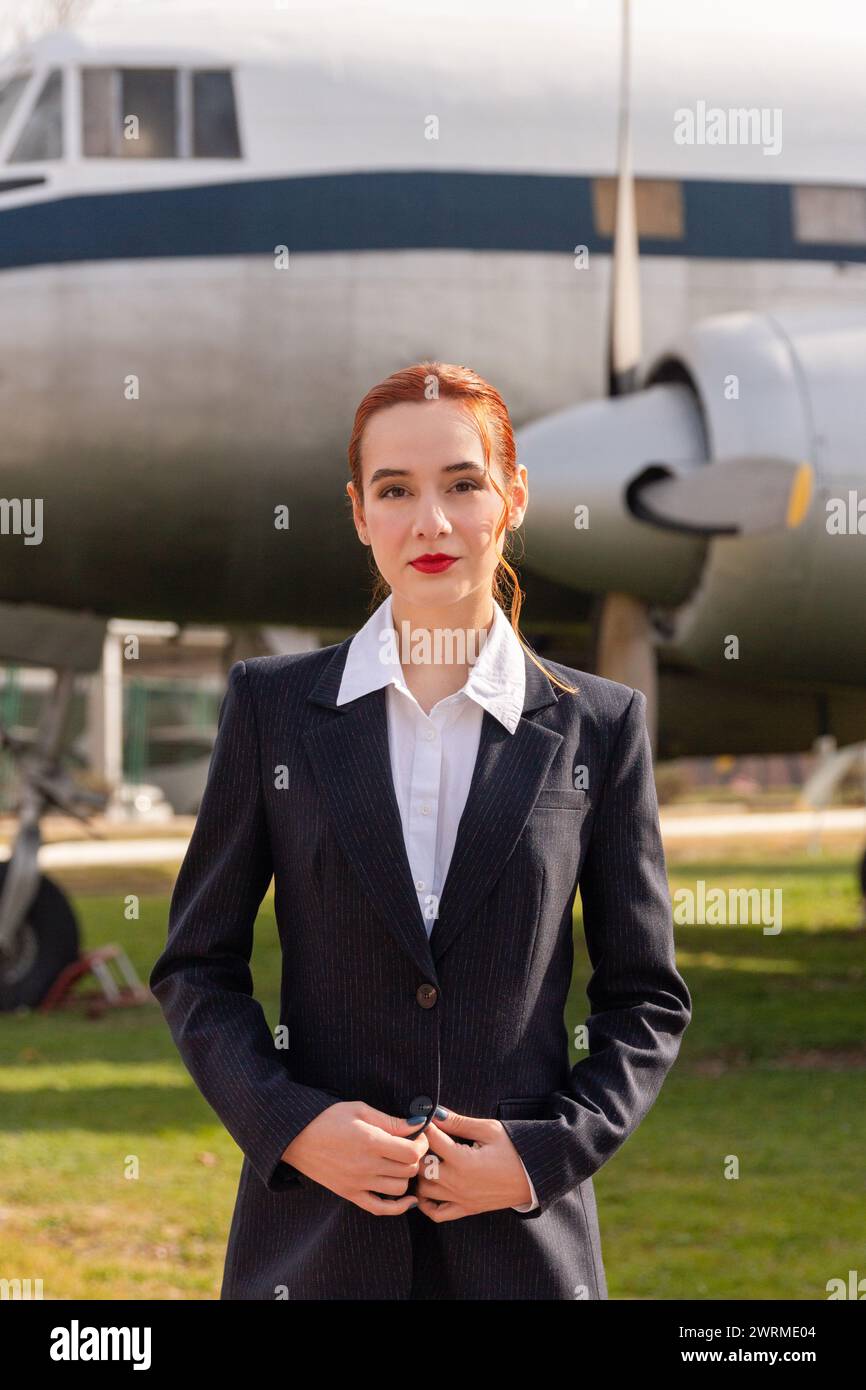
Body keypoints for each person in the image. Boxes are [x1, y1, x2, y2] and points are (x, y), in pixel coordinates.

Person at [149, 360, 692, 1300]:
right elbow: (196, 967)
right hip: (313, 1252)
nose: (430, 523)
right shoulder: (272, 709)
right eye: (394, 490)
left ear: (512, 498)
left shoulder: (600, 728)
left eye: (463, 484)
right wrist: (291, 1125)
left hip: (523, 1255)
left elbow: (645, 1000)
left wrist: (542, 1156)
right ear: (358, 512)